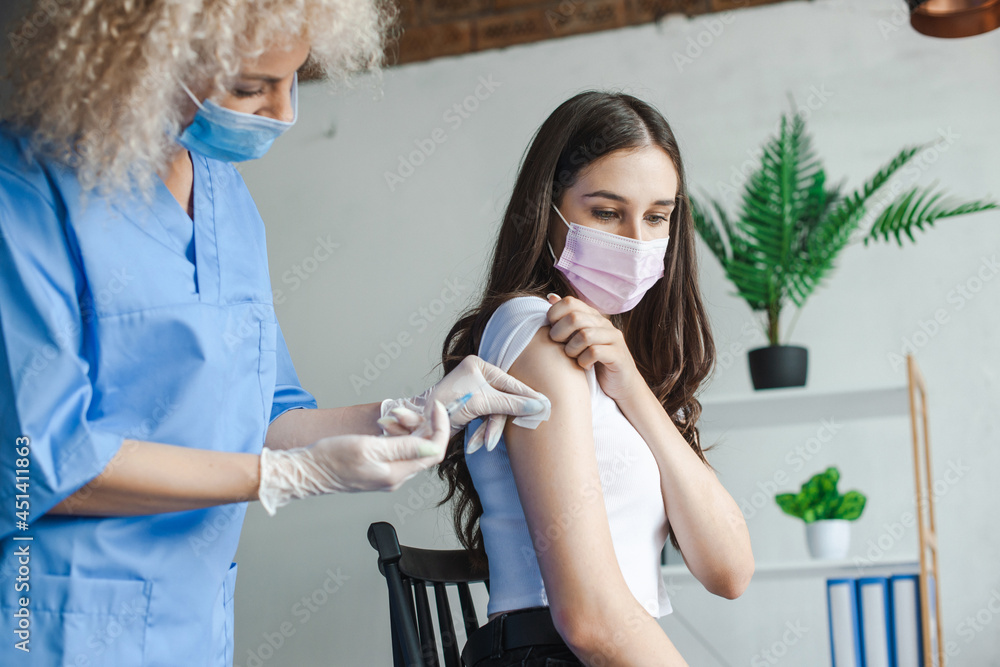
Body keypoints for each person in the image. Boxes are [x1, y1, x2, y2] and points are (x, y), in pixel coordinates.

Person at [0, 1, 548, 664]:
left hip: (194, 621)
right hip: (52, 621)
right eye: (250, 87)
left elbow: (266, 418)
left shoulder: (224, 197)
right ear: (142, 63)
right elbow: (40, 463)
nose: (284, 113)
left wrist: (412, 412)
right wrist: (284, 476)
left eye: (295, 79)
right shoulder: (25, 187)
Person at [436, 92, 756, 666]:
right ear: (547, 211)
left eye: (657, 216)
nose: (636, 240)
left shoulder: (615, 363)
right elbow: (588, 621)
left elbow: (728, 569)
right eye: (607, 212)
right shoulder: (536, 332)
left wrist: (631, 383)